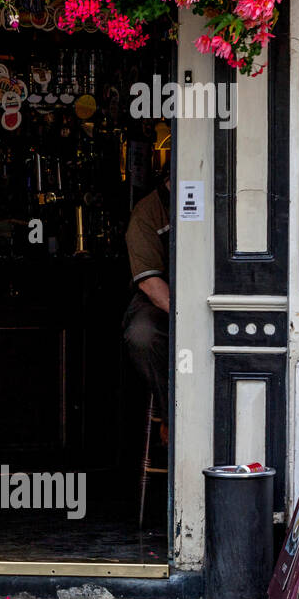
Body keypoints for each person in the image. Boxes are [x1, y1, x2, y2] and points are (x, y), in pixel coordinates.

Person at [123, 174, 171, 439]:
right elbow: (151, 285)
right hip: (160, 299)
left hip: (206, 297)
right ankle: (172, 417)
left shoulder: (213, 201)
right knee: (143, 334)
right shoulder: (147, 212)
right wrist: (187, 319)